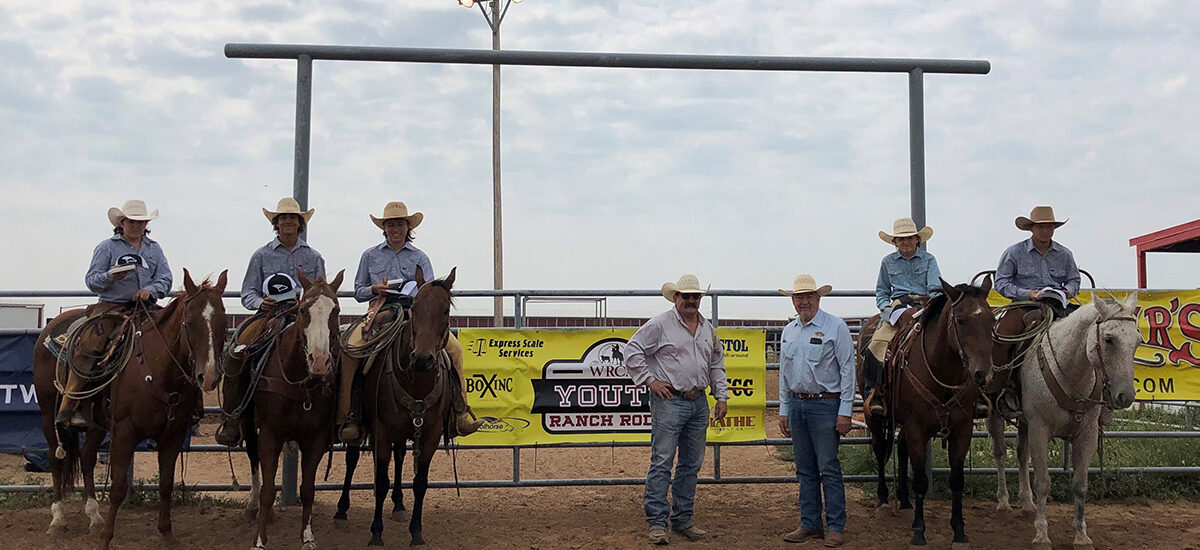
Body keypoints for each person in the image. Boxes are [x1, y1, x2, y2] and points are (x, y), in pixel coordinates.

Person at [336, 201, 481, 445]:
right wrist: (374, 288)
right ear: (384, 227)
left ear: (407, 227)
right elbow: (359, 291)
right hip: (381, 310)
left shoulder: (420, 256)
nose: (395, 228)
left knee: (454, 349)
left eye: (400, 224)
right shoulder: (370, 255)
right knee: (351, 349)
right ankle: (349, 415)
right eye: (391, 224)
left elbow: (430, 290)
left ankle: (460, 412)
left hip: (416, 312)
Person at [625, 274, 728, 545]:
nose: (692, 301)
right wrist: (650, 380)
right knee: (662, 462)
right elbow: (632, 350)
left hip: (698, 401)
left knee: (690, 465)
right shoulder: (660, 324)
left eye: (696, 297)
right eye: (687, 296)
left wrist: (721, 396)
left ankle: (683, 519)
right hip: (670, 401)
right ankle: (657, 523)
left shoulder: (708, 329)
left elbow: (716, 363)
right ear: (676, 298)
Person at [215, 197, 326, 447]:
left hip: (302, 315)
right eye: (283, 218)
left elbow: (321, 290)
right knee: (237, 351)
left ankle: (336, 415)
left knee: (331, 349)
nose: (288, 222)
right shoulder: (261, 255)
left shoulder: (314, 256)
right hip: (269, 315)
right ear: (276, 224)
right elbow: (248, 293)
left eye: (293, 218)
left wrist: (306, 303)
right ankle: (233, 417)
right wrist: (260, 303)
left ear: (300, 224)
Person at [57, 199, 173, 428]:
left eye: (141, 222)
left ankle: (185, 407)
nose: (137, 226)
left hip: (145, 308)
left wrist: (149, 290)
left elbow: (166, 278)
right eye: (132, 222)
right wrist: (111, 276)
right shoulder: (106, 247)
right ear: (122, 223)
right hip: (110, 307)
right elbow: (91, 280)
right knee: (90, 344)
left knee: (173, 339)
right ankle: (71, 405)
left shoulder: (154, 248)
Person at [777, 274, 853, 548]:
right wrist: (784, 409)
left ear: (818, 299)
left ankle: (834, 525)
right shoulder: (789, 331)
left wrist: (845, 411)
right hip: (798, 404)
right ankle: (810, 523)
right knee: (806, 469)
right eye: (799, 297)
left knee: (828, 467)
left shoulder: (836, 327)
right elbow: (785, 375)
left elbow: (847, 371)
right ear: (794, 301)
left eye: (808, 296)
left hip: (825, 403)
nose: (804, 301)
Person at [862, 217, 941, 417]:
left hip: (925, 306)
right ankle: (875, 392)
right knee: (876, 345)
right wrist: (893, 313)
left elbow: (936, 288)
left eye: (909, 238)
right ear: (895, 242)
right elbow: (881, 293)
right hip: (898, 307)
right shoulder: (887, 262)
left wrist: (927, 308)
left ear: (917, 240)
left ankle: (965, 393)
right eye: (901, 239)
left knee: (951, 338)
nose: (905, 242)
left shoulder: (929, 259)